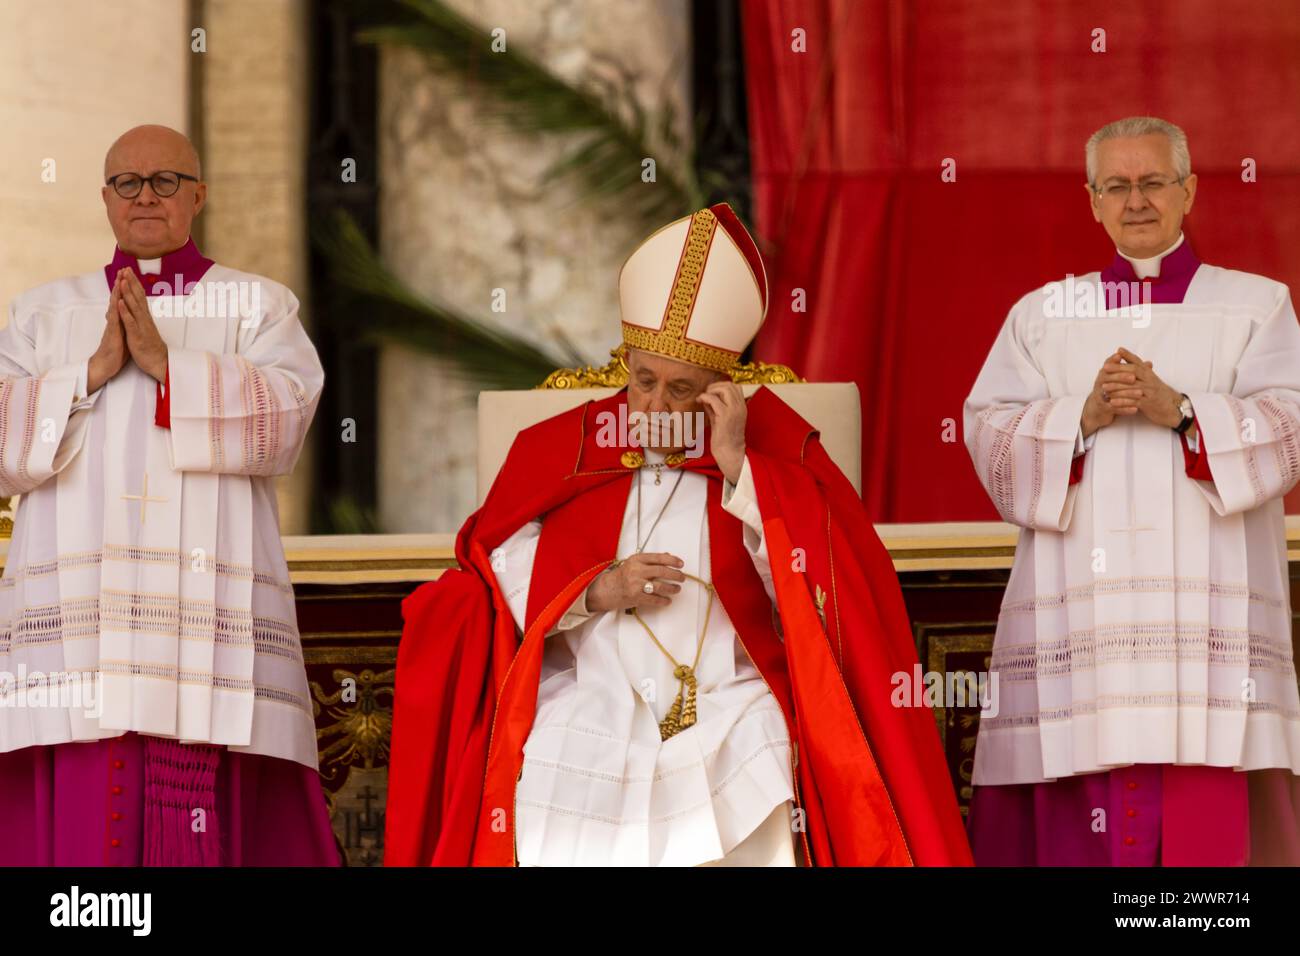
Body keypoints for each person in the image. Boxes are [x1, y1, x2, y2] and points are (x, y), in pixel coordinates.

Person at [386, 202, 971, 867]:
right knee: (551, 756)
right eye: (643, 382)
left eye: (681, 387)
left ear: (722, 388)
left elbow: (824, 594)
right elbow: (490, 572)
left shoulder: (775, 455)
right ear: (624, 367)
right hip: (595, 692)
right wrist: (594, 589)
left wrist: (739, 471)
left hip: (729, 693)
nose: (657, 406)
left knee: (766, 753)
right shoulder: (563, 448)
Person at [964, 115, 1300, 866]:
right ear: (1092, 200)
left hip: (1205, 623)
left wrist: (1180, 412)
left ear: (1188, 191)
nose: (1136, 200)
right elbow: (988, 435)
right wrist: (1077, 418)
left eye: (1152, 182)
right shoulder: (1042, 316)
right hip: (1086, 629)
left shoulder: (1255, 306)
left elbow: (1290, 428)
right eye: (1116, 185)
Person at [0, 124, 337, 866]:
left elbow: (285, 421)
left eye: (165, 181)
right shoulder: (42, 313)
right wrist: (87, 374)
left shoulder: (258, 305)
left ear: (199, 195)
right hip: (83, 628)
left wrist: (168, 366)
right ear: (105, 198)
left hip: (201, 620)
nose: (145, 196)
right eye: (128, 182)